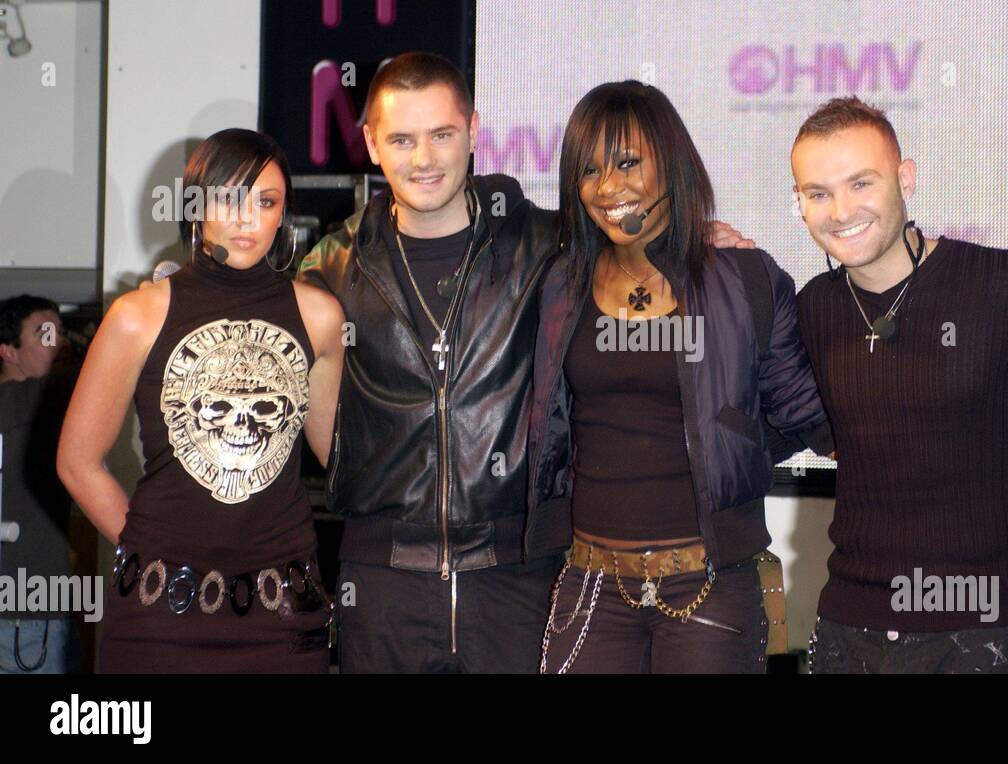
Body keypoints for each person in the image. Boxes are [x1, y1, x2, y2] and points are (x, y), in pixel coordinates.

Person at [297, 53, 751, 673]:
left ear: (475, 131)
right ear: (371, 142)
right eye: (401, 139)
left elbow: (640, 243)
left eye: (442, 135)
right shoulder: (330, 266)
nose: (423, 159)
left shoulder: (549, 247)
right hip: (382, 584)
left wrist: (703, 236)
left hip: (519, 577)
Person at [528, 80, 832, 673]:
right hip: (591, 585)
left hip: (710, 585)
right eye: (589, 170)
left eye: (627, 161)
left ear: (671, 161)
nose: (608, 186)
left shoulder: (743, 279)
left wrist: (730, 445)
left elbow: (802, 414)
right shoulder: (561, 285)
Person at [57, 128, 345, 673]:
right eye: (230, 198)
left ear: (283, 215)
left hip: (283, 614)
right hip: (159, 616)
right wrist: (151, 548)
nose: (246, 219)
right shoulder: (137, 316)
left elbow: (344, 465)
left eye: (266, 202)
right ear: (195, 204)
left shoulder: (319, 316)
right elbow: (76, 462)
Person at [790, 97, 1008, 673]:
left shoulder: (1004, 284)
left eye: (860, 183)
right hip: (850, 628)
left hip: (984, 631)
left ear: (906, 178)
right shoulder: (812, 310)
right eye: (817, 193)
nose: (840, 209)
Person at [0, 295, 77, 673]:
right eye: (43, 333)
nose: (56, 340)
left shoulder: (55, 404)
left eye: (58, 332)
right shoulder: (36, 398)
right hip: (27, 614)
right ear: (8, 352)